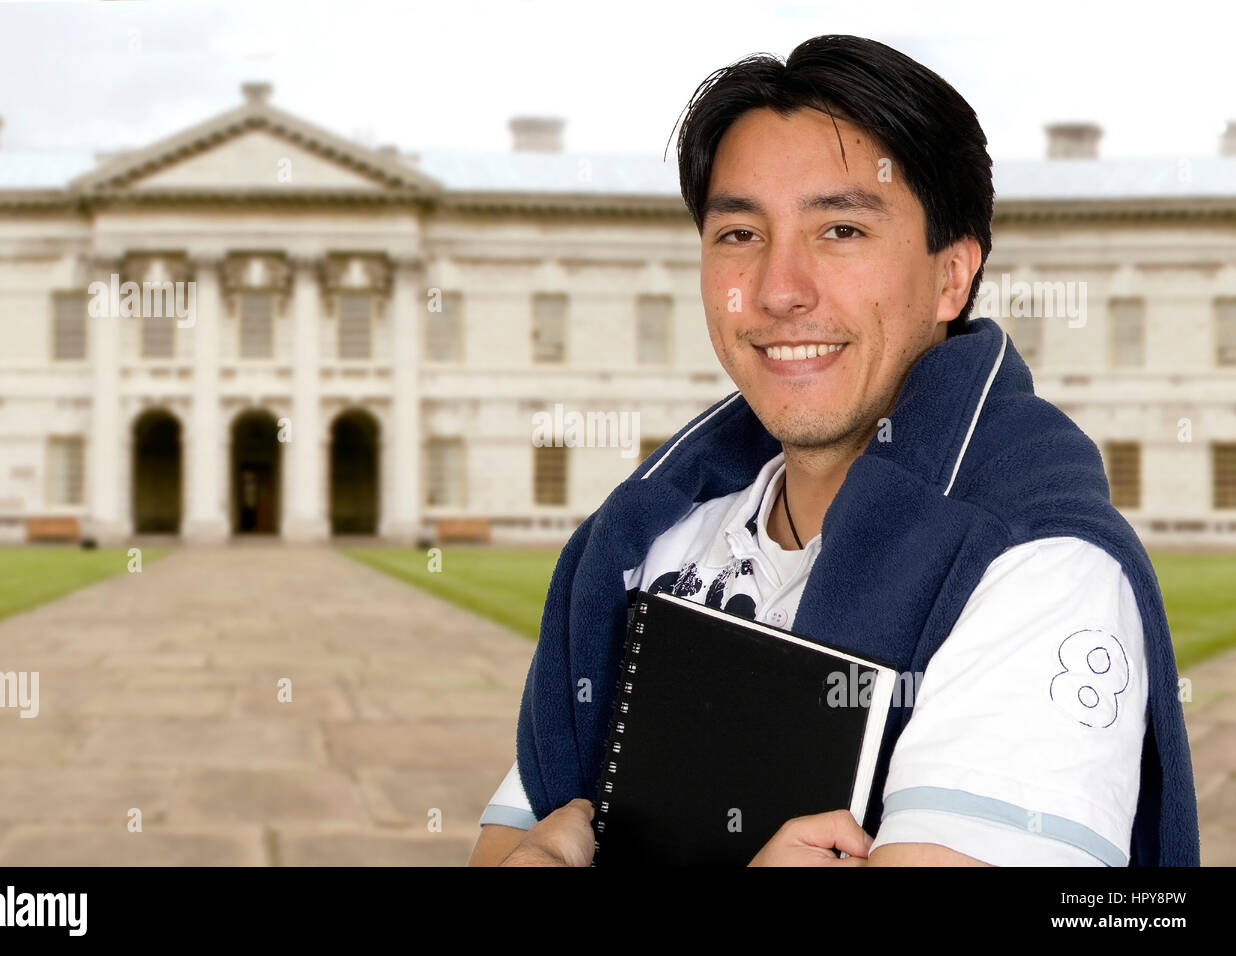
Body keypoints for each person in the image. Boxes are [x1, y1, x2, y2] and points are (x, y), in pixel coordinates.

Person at [468, 34, 1200, 867]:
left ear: (954, 276)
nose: (781, 290)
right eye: (739, 233)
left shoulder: (1038, 571)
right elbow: (508, 848)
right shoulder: (643, 538)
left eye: (843, 229)